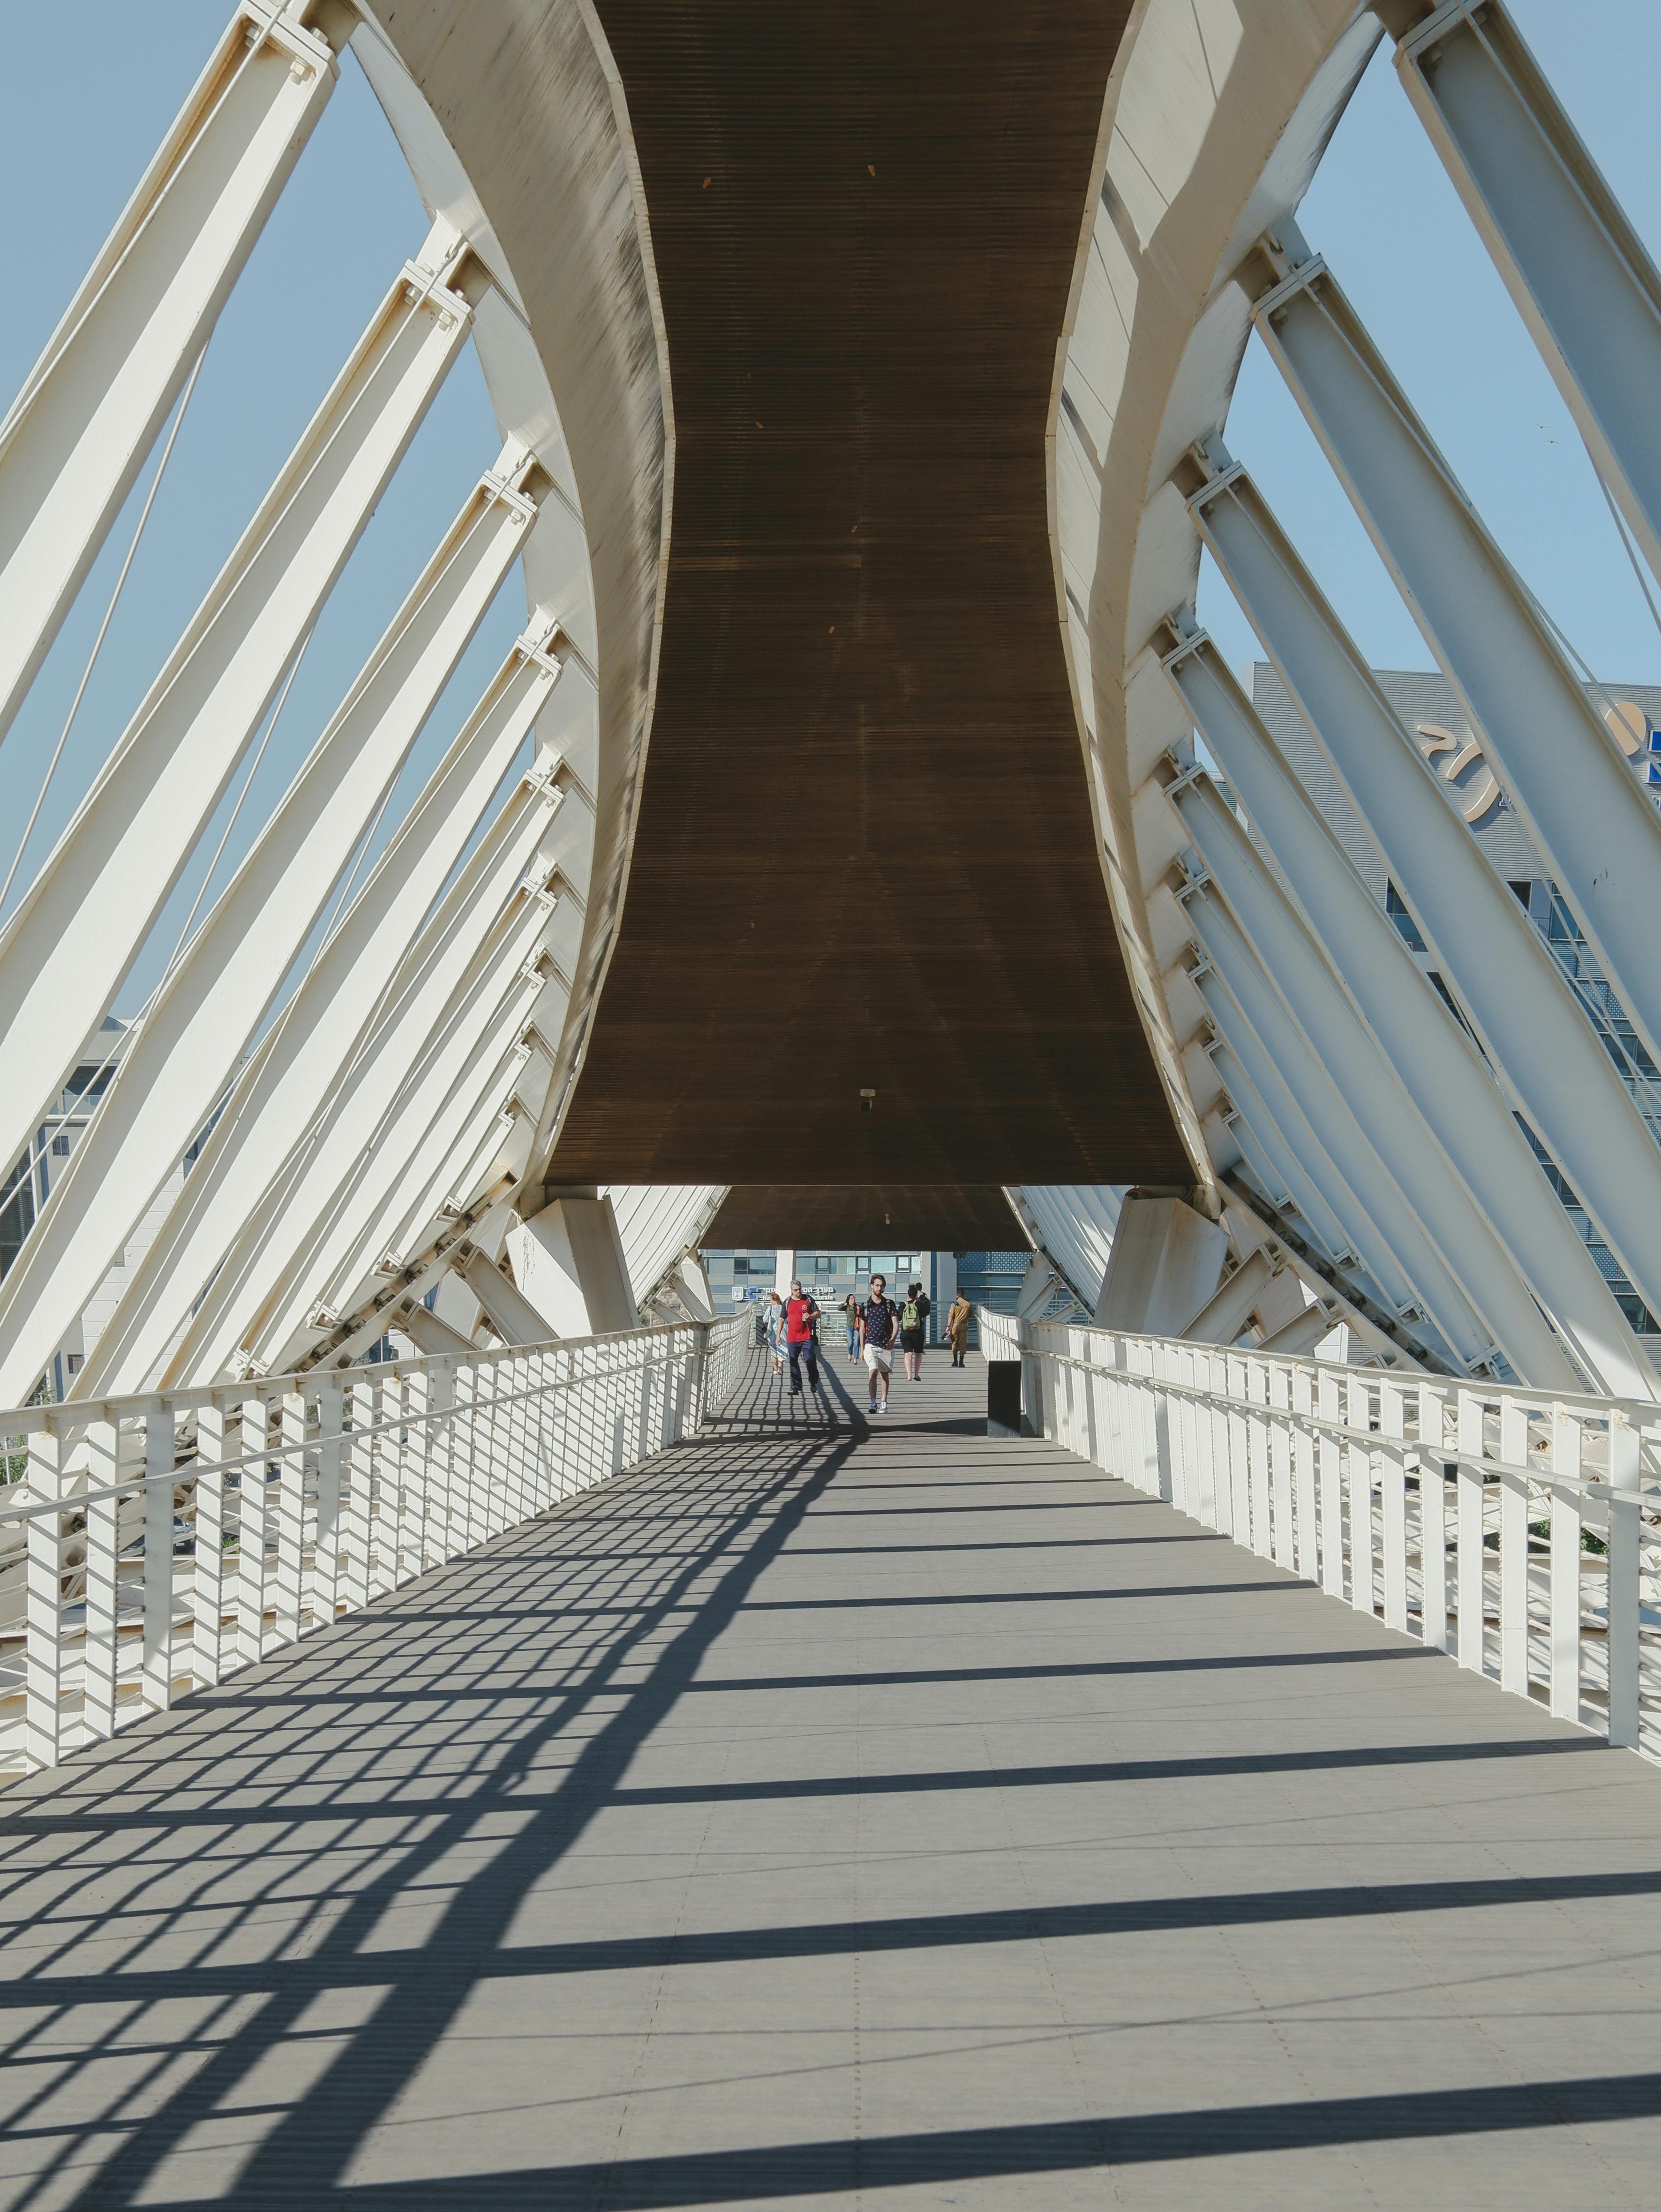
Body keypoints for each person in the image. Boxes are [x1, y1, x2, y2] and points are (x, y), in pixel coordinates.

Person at [858, 1271, 900, 1415]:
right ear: (871, 1286)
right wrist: (862, 1348)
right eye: (877, 1285)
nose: (879, 1288)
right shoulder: (865, 1306)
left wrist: (893, 1339)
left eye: (882, 1286)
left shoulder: (889, 1304)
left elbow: (896, 1324)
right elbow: (862, 1328)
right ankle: (873, 1402)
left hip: (886, 1345)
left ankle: (884, 1401)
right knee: (873, 1371)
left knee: (885, 1375)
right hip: (871, 1344)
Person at [785, 1278, 821, 1396]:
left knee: (810, 1360)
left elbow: (818, 1313)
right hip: (792, 1338)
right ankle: (795, 1386)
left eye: (800, 1289)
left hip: (806, 1337)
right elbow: (781, 1319)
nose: (798, 1292)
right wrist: (778, 1337)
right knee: (793, 1362)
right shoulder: (787, 1302)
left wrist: (810, 1316)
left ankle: (813, 1381)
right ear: (791, 1291)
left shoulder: (808, 1299)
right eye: (796, 1290)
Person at [899, 1279, 930, 1381]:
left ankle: (909, 1375)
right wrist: (921, 1298)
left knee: (908, 1354)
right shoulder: (918, 1304)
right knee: (918, 1354)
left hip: (905, 1332)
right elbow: (926, 1312)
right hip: (918, 1332)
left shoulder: (903, 1305)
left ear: (908, 1293)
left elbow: (898, 1317)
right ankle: (916, 1375)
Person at [947, 1290, 972, 1367]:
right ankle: (961, 1362)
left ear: (957, 1296)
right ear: (964, 1296)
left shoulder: (954, 1304)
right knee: (963, 1343)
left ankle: (955, 1362)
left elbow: (951, 1316)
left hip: (956, 1325)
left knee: (954, 1342)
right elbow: (972, 1314)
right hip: (964, 1325)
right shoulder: (968, 1304)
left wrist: (948, 1327)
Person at [765, 1290, 786, 1376]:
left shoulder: (770, 1309)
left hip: (772, 1332)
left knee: (773, 1350)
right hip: (782, 1332)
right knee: (782, 1349)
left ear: (773, 1300)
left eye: (770, 1299)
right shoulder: (783, 1308)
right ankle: (781, 1366)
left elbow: (765, 1319)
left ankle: (775, 1369)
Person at [843, 1291, 861, 1360]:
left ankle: (856, 1358)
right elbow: (839, 1308)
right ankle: (850, 1353)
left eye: (854, 1298)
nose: (853, 1300)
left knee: (856, 1343)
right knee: (850, 1343)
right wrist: (844, 1303)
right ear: (849, 1300)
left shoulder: (857, 1307)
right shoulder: (847, 1307)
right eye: (852, 1298)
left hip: (857, 1327)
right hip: (849, 1327)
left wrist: (859, 1310)